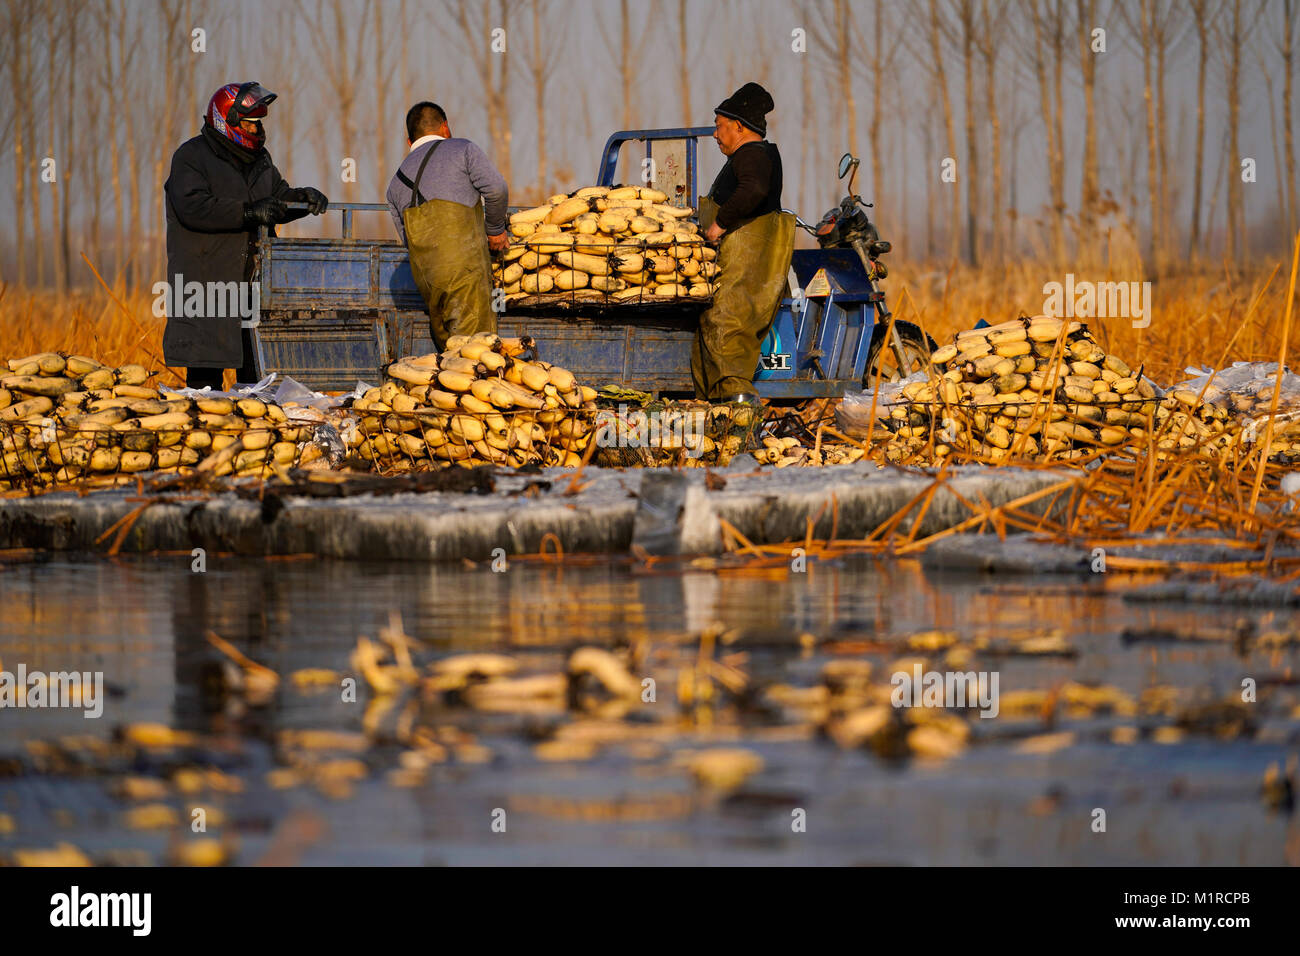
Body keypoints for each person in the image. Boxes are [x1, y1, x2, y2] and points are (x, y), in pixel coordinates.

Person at [162, 82, 329, 389]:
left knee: (258, 381)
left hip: (253, 285)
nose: (256, 128)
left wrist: (303, 200)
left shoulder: (260, 160)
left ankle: (255, 431)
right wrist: (249, 213)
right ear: (229, 120)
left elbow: (276, 200)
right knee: (204, 385)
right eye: (250, 122)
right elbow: (193, 207)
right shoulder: (192, 157)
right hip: (206, 287)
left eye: (258, 123)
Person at [691, 82, 796, 403]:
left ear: (739, 126)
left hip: (746, 269)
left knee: (728, 332)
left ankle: (740, 423)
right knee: (717, 330)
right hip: (737, 267)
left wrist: (717, 227)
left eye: (720, 126)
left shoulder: (753, 156)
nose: (714, 134)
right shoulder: (749, 156)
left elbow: (753, 190)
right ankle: (716, 416)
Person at [386, 102, 509, 351]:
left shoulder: (395, 184)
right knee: (475, 362)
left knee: (451, 363)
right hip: (465, 278)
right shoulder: (462, 149)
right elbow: (496, 190)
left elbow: (409, 242)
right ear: (445, 127)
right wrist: (495, 230)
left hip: (429, 285)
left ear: (410, 142)